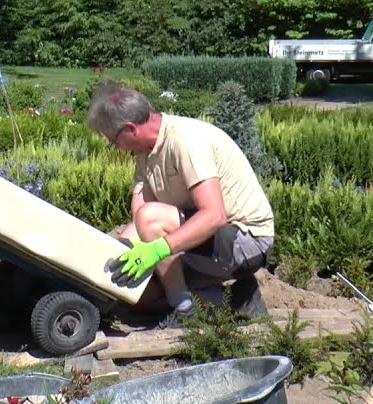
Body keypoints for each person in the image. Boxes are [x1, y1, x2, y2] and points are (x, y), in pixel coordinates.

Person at [87, 83, 275, 328]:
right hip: (211, 243)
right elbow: (138, 216)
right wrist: (121, 256)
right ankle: (238, 299)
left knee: (150, 222)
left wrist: (157, 251)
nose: (117, 148)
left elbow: (214, 215)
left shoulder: (186, 140)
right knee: (142, 294)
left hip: (246, 242)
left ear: (131, 129)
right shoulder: (147, 151)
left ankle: (185, 311)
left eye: (114, 142)